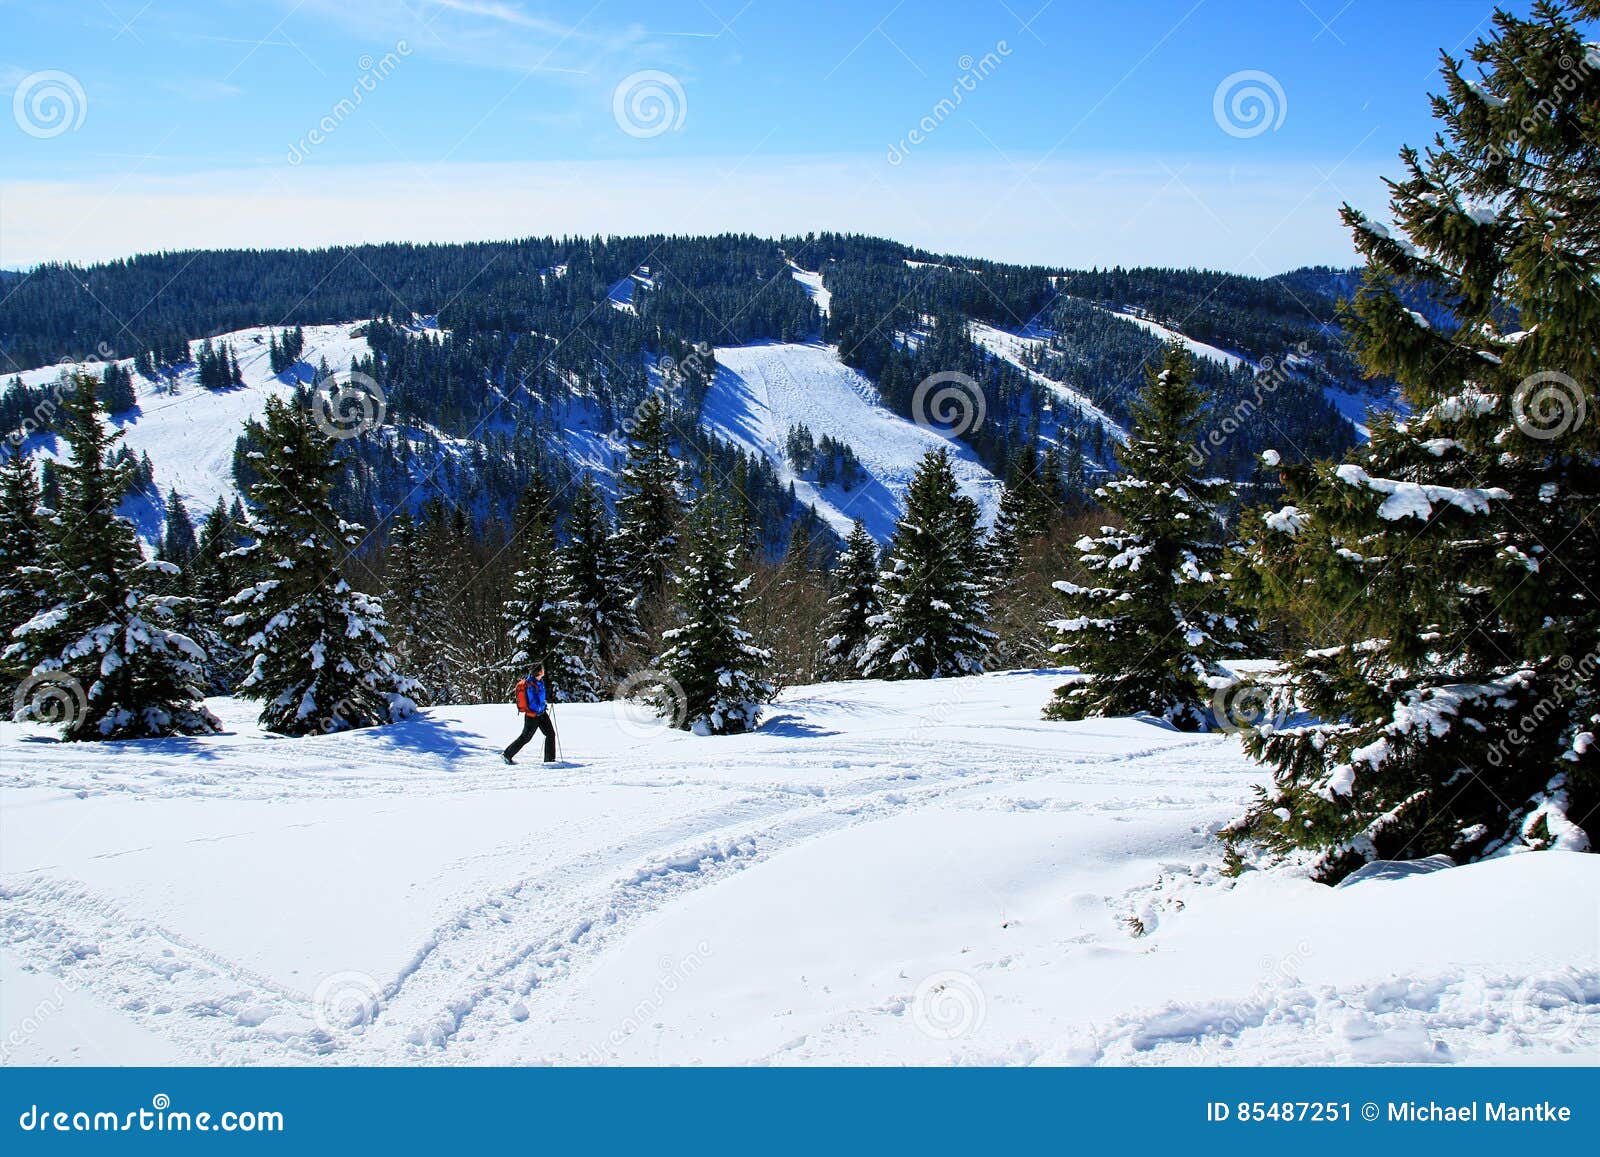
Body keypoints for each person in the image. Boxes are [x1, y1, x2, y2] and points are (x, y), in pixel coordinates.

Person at [503, 662, 556, 764]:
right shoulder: (530, 685)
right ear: (539, 672)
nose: (544, 671)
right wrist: (541, 707)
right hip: (532, 716)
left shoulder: (540, 681)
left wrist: (548, 698)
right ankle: (507, 754)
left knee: (550, 734)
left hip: (541, 714)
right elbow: (533, 704)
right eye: (542, 669)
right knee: (525, 737)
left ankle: (549, 760)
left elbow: (541, 696)